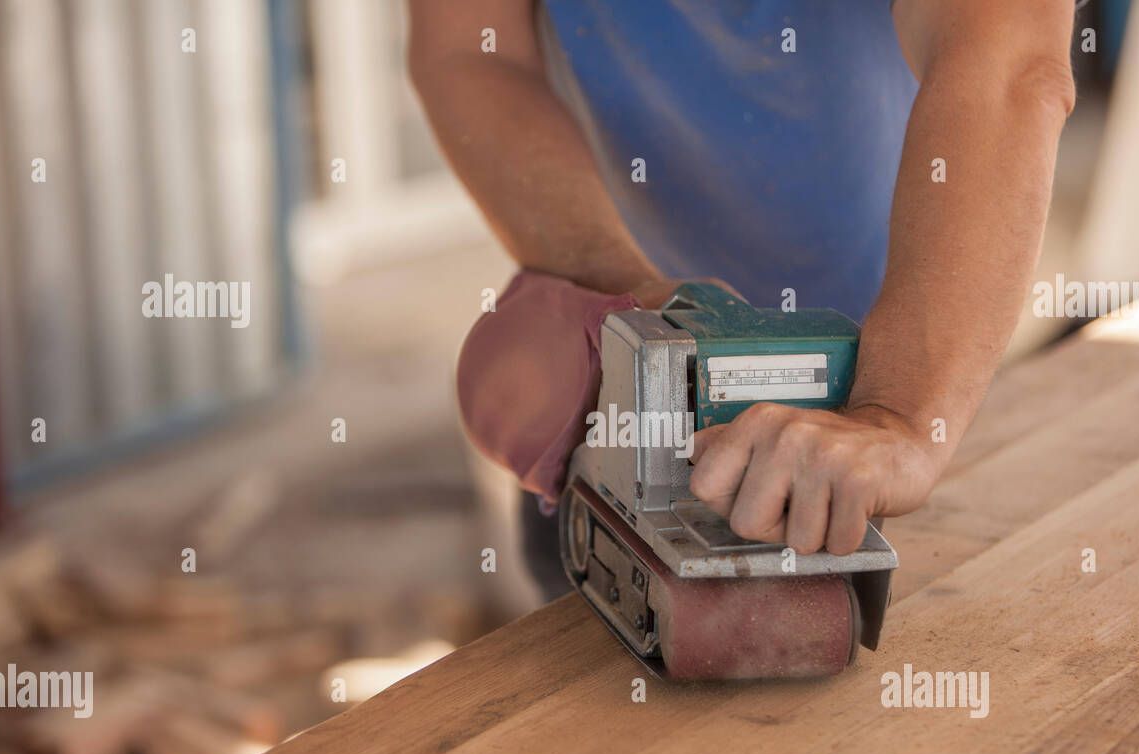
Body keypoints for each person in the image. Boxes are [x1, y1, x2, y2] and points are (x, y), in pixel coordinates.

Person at [409, 0, 1076, 598]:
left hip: (921, 356)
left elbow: (1006, 61)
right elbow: (470, 49)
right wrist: (619, 286)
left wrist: (900, 412)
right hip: (626, 372)